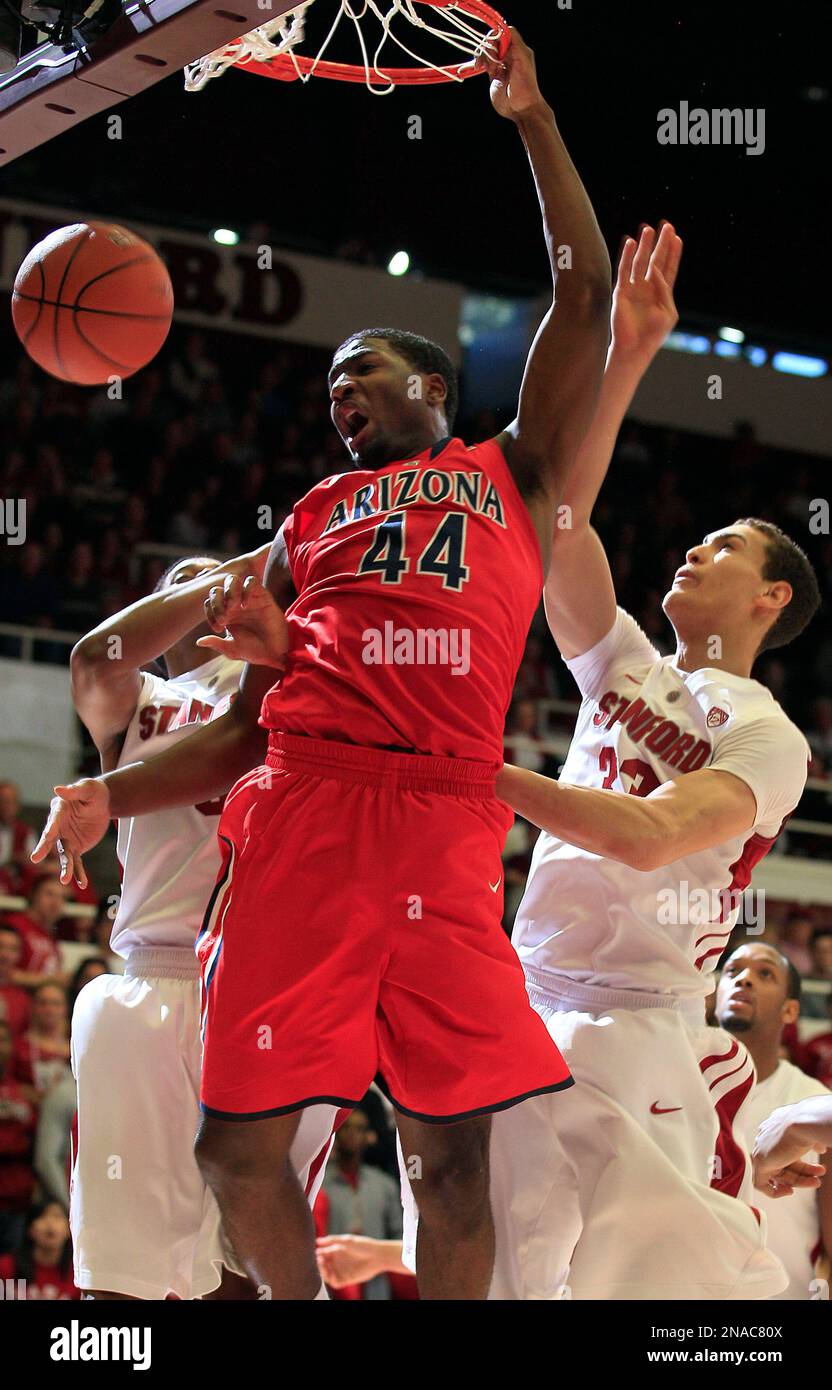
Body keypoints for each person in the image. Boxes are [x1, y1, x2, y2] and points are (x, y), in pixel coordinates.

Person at [33, 30, 612, 1300]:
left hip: (447, 813)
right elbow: (240, 726)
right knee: (234, 1153)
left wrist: (532, 122)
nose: (342, 400)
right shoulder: (302, 525)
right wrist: (105, 793)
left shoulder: (511, 472)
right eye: (330, 391)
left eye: (365, 377)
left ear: (436, 388)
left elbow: (584, 297)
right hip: (301, 802)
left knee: (449, 1155)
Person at [475, 222, 820, 1300]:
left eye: (722, 547)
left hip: (640, 1024)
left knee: (666, 1301)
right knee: (500, 1276)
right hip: (522, 995)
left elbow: (649, 833)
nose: (691, 549)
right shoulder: (619, 658)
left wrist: (465, 764)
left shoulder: (767, 735)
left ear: (770, 598)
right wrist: (627, 357)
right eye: (694, 538)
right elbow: (557, 517)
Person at [54, 551, 343, 1301]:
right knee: (123, 1271)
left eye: (226, 576)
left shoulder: (286, 683)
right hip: (154, 977)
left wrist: (253, 593)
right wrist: (225, 577)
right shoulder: (139, 697)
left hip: (267, 990)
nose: (214, 585)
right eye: (183, 581)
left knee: (245, 1264)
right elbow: (93, 658)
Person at [715, 942, 831, 1299]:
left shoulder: (816, 1103)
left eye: (764, 973)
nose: (744, 979)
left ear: (791, 1010)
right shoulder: (671, 1084)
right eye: (733, 971)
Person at [319, 1106, 404, 1300]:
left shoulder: (384, 1185)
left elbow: (398, 1234)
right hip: (330, 1280)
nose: (352, 1134)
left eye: (359, 1129)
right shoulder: (320, 1185)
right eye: (347, 1127)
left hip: (377, 1282)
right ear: (336, 1134)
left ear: (368, 1136)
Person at [0, 1019, 37, 1255]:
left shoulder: (25, 1092)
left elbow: (36, 1142)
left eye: (2, 1039)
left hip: (16, 1200)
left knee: (10, 1282)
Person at [0, 1200, 80, 1300]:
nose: (50, 1223)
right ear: (30, 1229)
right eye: (42, 1216)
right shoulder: (5, 1267)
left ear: (69, 1230)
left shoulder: (79, 1274)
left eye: (57, 1217)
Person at [3, 877, 66, 987]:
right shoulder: (14, 925)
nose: (56, 903)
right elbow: (5, 973)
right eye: (49, 894)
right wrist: (53, 980)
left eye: (61, 897)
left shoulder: (51, 938)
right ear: (33, 895)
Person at [13, 982, 71, 1097]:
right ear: (33, 1007)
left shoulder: (77, 1048)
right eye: (43, 1003)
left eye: (56, 1004)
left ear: (65, 1008)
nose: (49, 1009)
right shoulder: (18, 1046)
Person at [0, 924, 30, 1039]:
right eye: (0, 946)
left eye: (12, 949)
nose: (5, 955)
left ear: (19, 955)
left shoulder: (23, 999)